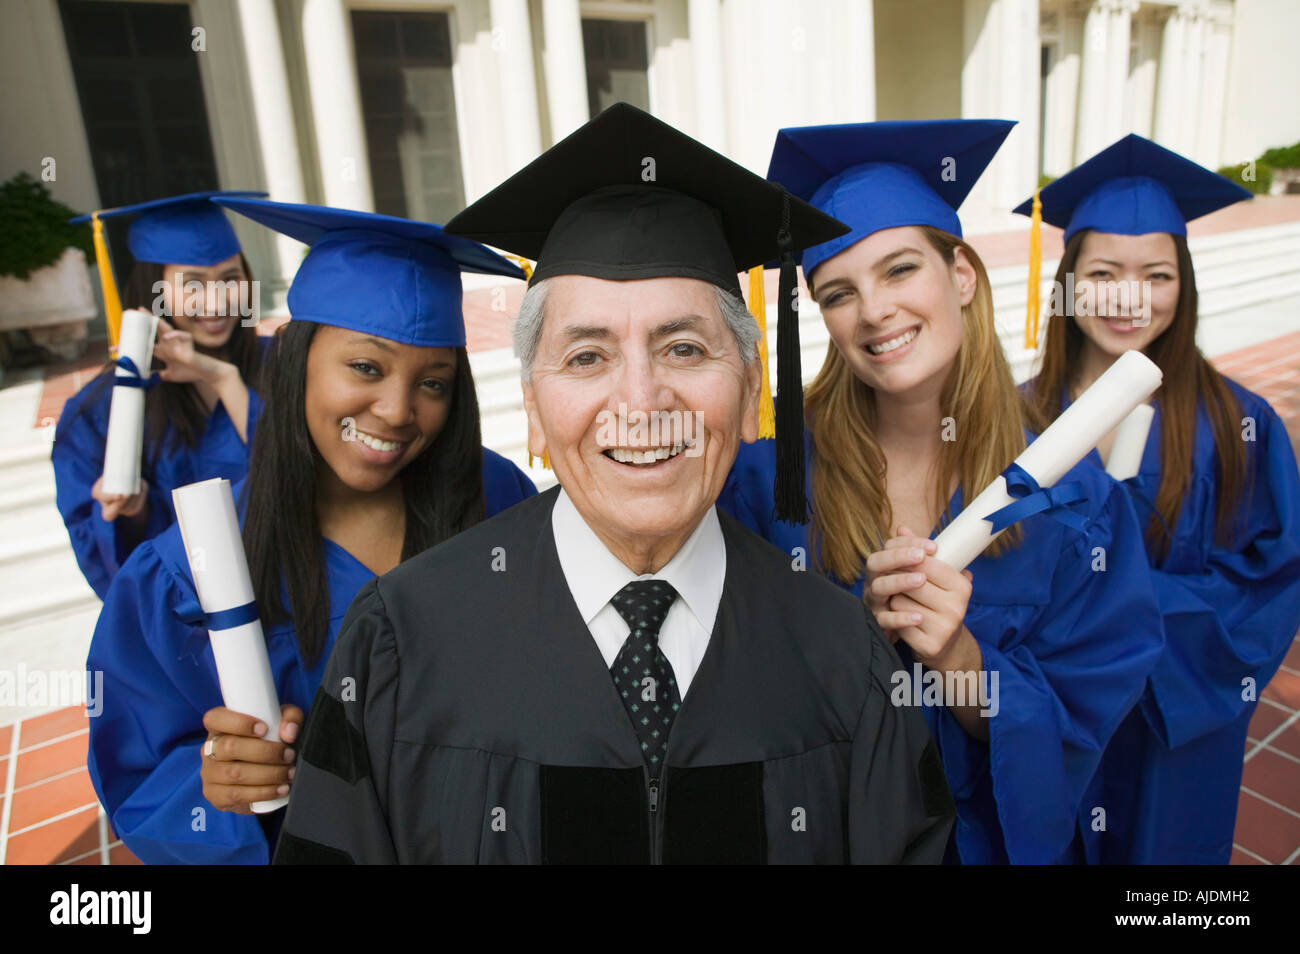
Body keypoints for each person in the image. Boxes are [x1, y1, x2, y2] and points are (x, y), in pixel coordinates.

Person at [274, 102, 955, 865]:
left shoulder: (841, 653)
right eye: (587, 357)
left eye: (686, 348)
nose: (641, 402)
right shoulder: (399, 645)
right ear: (532, 407)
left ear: (752, 388)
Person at [719, 119, 1165, 863]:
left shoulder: (1074, 497)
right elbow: (732, 682)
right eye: (837, 292)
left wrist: (963, 665)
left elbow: (1087, 719)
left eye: (899, 270)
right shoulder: (770, 480)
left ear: (961, 275)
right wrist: (847, 639)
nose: (874, 312)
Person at [86, 199, 536, 864]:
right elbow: (144, 770)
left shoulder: (498, 498)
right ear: (299, 361)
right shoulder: (189, 567)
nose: (397, 410)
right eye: (366, 367)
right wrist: (221, 782)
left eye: (434, 382)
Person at [1017, 134, 1300, 864]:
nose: (1129, 297)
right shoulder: (1011, 420)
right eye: (1103, 272)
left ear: (1186, 285)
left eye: (1158, 274)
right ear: (1068, 283)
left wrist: (1121, 619)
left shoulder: (1240, 427)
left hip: (1174, 721)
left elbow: (1268, 583)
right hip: (1048, 716)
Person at [55, 191, 270, 599]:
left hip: (297, 596)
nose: (217, 301)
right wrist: (132, 514)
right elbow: (108, 555)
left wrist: (225, 379)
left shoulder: (283, 364)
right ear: (153, 288)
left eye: (231, 279)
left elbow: (305, 477)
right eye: (193, 283)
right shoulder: (99, 408)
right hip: (188, 620)